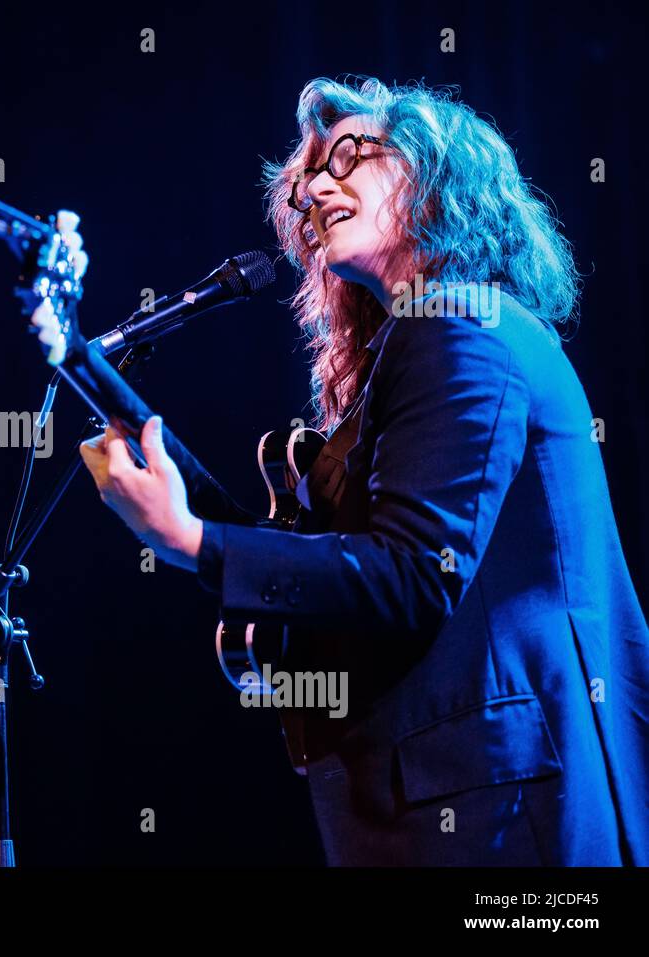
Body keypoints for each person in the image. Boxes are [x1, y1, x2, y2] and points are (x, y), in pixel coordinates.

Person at [74, 76, 649, 865]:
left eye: (350, 156)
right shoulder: (437, 337)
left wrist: (190, 538)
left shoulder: (458, 329)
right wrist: (183, 496)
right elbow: (349, 566)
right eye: (308, 174)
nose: (315, 185)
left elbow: (415, 573)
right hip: (474, 797)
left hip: (503, 810)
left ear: (441, 179)